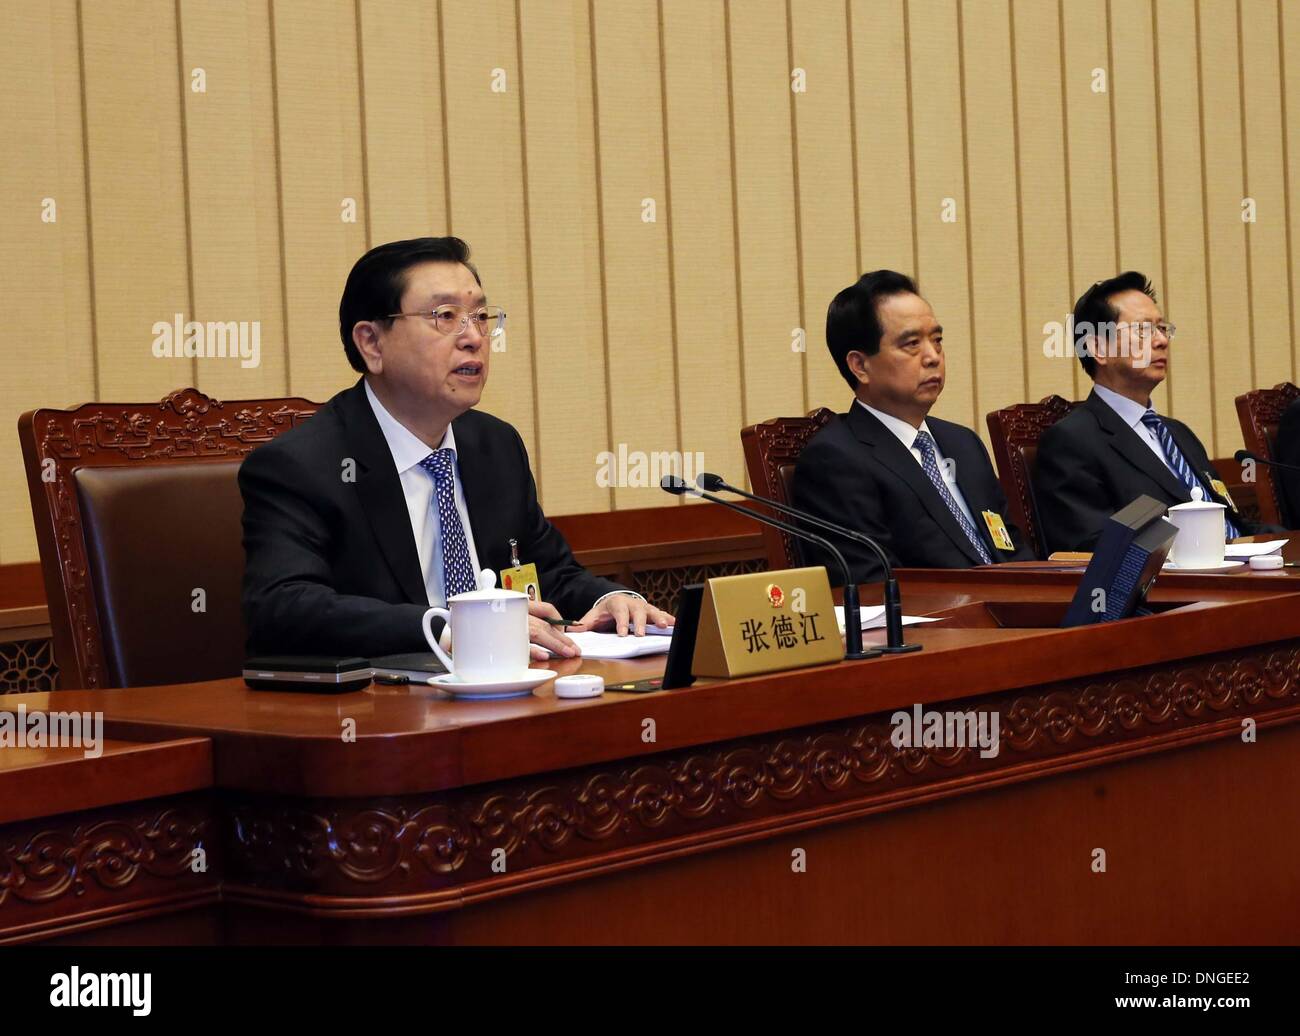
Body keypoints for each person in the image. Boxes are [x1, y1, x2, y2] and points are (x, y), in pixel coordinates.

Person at [239, 236, 673, 660]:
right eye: (445, 316)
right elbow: (284, 607)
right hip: (382, 710)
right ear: (371, 343)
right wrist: (448, 627)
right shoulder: (302, 465)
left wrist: (612, 597)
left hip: (507, 695)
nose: (474, 338)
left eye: (481, 316)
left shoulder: (494, 446)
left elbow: (548, 573)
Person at [791, 270, 1035, 584]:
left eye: (937, 340)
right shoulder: (836, 459)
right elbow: (872, 586)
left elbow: (1010, 550)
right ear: (860, 366)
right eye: (911, 344)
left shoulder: (963, 443)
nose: (933, 356)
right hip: (944, 626)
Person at [1034, 271, 1271, 553]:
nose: (1161, 341)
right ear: (1098, 348)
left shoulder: (1178, 434)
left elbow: (1234, 526)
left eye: (1162, 329)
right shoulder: (1071, 442)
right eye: (1144, 330)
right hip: (1178, 589)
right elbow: (1093, 547)